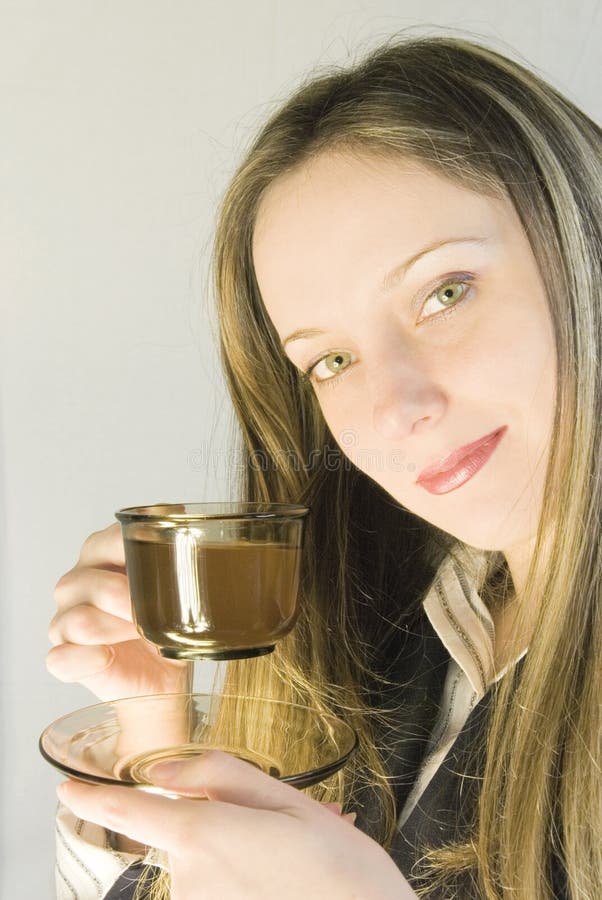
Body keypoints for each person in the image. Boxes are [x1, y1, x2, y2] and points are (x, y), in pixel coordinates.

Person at [47, 34, 602, 900]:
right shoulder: (401, 625)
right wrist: (157, 728)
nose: (392, 409)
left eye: (444, 292)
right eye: (332, 361)